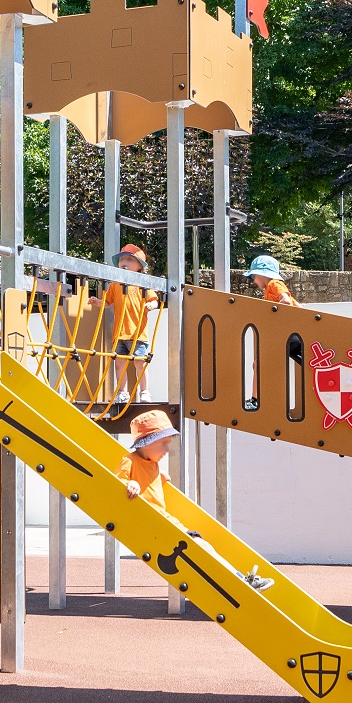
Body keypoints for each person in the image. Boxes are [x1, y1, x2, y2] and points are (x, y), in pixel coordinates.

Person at [118, 409, 273, 592]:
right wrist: (131, 483)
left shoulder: (153, 464)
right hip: (157, 525)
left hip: (167, 522)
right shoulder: (129, 461)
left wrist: (159, 476)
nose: (167, 450)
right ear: (148, 442)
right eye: (163, 443)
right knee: (200, 547)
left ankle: (238, 579)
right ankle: (240, 581)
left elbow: (150, 479)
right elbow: (115, 484)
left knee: (204, 546)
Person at [105, 243, 159, 403]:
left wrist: (152, 305)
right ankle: (122, 392)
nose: (124, 262)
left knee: (140, 362)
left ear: (139, 267)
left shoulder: (142, 284)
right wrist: (98, 302)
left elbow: (154, 299)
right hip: (120, 332)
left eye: (129, 259)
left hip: (137, 333)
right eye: (122, 259)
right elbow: (108, 302)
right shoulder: (115, 284)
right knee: (119, 362)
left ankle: (144, 391)